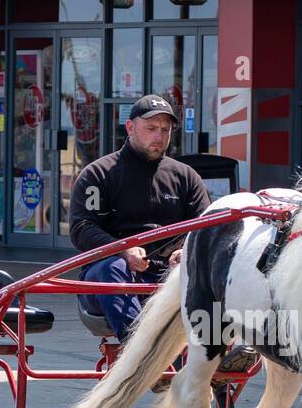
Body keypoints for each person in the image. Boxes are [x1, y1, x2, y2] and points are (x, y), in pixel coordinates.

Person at [69, 94, 206, 343]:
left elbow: (205, 229)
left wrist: (187, 250)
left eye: (165, 130)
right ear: (130, 127)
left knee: (210, 270)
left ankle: (219, 362)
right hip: (108, 278)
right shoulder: (98, 174)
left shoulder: (186, 176)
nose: (160, 136)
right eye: (151, 128)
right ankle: (144, 357)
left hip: (170, 275)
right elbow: (81, 228)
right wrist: (123, 250)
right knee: (114, 267)